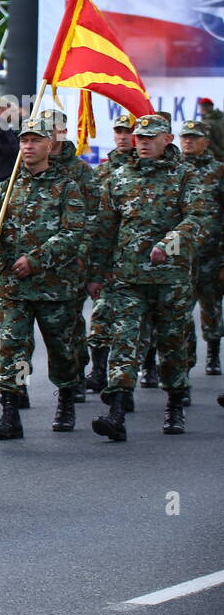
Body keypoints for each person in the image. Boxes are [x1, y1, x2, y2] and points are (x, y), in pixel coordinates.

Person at [89, 115, 213, 440]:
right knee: (124, 341)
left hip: (171, 280)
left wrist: (169, 243)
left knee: (171, 344)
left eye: (150, 137)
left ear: (167, 139)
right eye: (139, 137)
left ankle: (174, 405)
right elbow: (105, 229)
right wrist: (96, 273)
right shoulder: (119, 177)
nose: (142, 142)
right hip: (129, 279)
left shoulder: (185, 175)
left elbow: (199, 217)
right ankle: (116, 411)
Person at [0, 117, 85, 440]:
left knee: (62, 350)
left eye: (35, 140)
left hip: (55, 288)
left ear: (49, 146)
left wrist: (36, 260)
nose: (27, 146)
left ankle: (66, 397)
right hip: (14, 287)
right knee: (12, 347)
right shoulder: (7, 188)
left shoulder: (67, 187)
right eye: (23, 140)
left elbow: (73, 234)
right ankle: (10, 411)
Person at [41, 108, 99, 402]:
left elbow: (93, 216)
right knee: (18, 332)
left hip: (69, 262)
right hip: (33, 264)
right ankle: (14, 389)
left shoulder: (79, 172)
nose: (47, 137)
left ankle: (74, 374)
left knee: (69, 322)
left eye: (51, 131)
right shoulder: (26, 169)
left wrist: (81, 252)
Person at [85, 112, 137, 396]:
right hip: (108, 257)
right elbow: (95, 216)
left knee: (142, 322)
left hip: (140, 260)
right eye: (118, 131)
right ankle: (99, 371)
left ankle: (150, 367)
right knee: (101, 315)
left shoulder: (146, 170)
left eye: (128, 131)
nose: (122, 137)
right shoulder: (102, 172)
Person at [179, 120, 224, 376]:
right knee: (180, 310)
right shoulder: (175, 170)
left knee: (211, 306)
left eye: (194, 137)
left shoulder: (218, 171)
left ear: (206, 141)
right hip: (182, 254)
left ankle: (213, 354)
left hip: (211, 252)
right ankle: (184, 361)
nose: (188, 141)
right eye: (185, 137)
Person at [198, 97, 224, 162]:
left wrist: (221, 154)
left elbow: (209, 142)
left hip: (216, 158)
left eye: (204, 106)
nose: (202, 108)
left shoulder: (205, 123)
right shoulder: (221, 119)